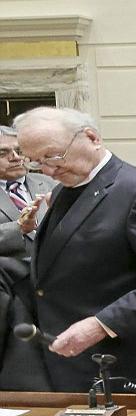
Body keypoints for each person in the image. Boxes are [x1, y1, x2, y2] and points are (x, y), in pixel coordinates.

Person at [14, 106, 136, 393]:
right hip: (79, 362)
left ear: (92, 137)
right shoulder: (62, 191)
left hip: (132, 364)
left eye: (53, 156)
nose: (47, 169)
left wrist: (101, 323)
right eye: (35, 162)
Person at [0, 125, 55, 389]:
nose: (15, 157)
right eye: (4, 152)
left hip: (56, 291)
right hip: (11, 298)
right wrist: (17, 229)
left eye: (19, 151)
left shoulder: (50, 183)